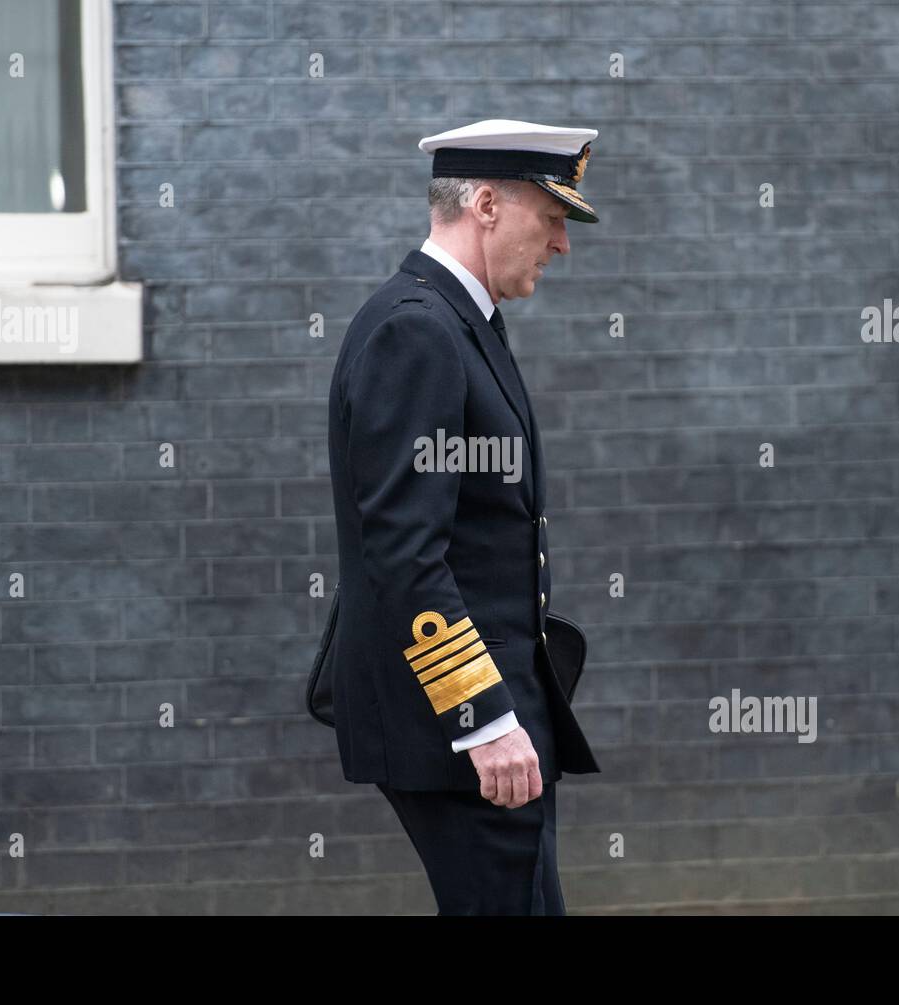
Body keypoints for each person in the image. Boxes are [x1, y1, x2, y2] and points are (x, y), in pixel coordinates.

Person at [325, 119, 602, 915]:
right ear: (485, 203)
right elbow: (406, 552)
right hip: (464, 730)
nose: (561, 244)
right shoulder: (419, 331)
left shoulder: (457, 320)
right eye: (551, 219)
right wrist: (482, 719)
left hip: (492, 715)